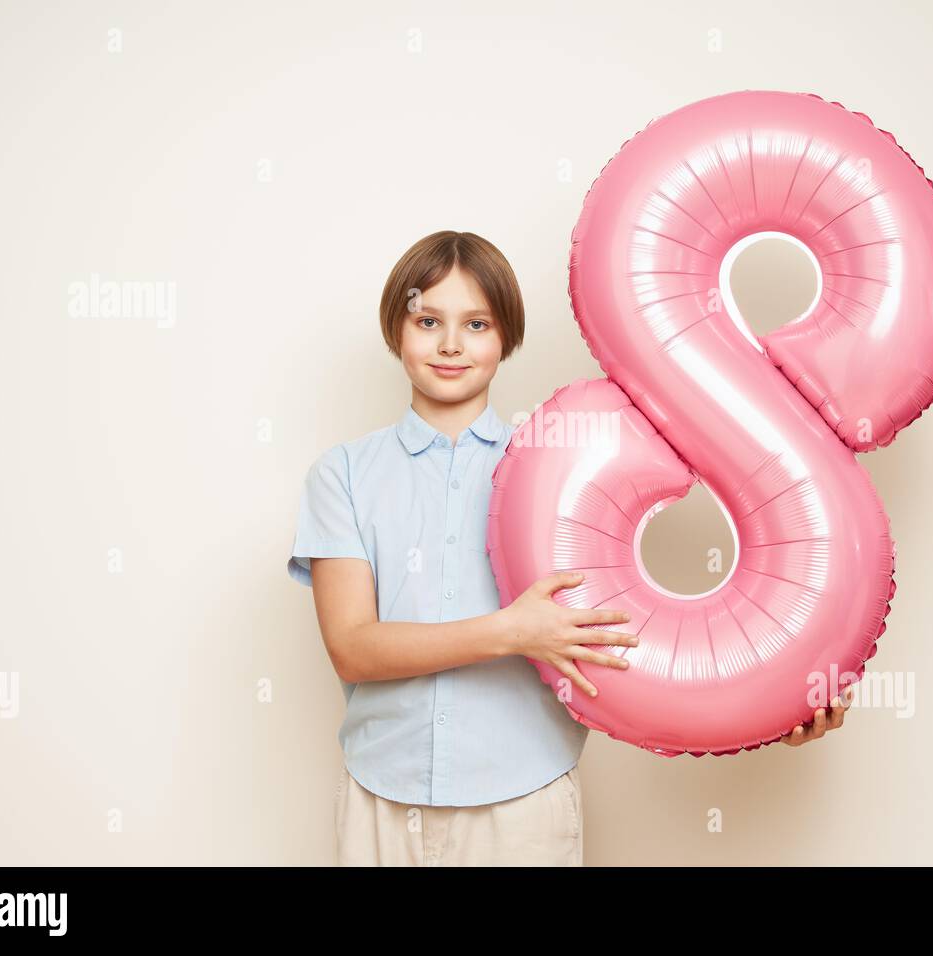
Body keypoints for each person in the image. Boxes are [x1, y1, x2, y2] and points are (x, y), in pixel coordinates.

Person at [287, 230, 849, 867]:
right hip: (380, 799)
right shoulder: (344, 474)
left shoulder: (562, 464)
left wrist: (785, 692)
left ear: (507, 337)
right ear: (396, 329)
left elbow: (643, 628)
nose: (449, 344)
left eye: (476, 323)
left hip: (524, 803)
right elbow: (353, 647)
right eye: (427, 320)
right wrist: (513, 632)